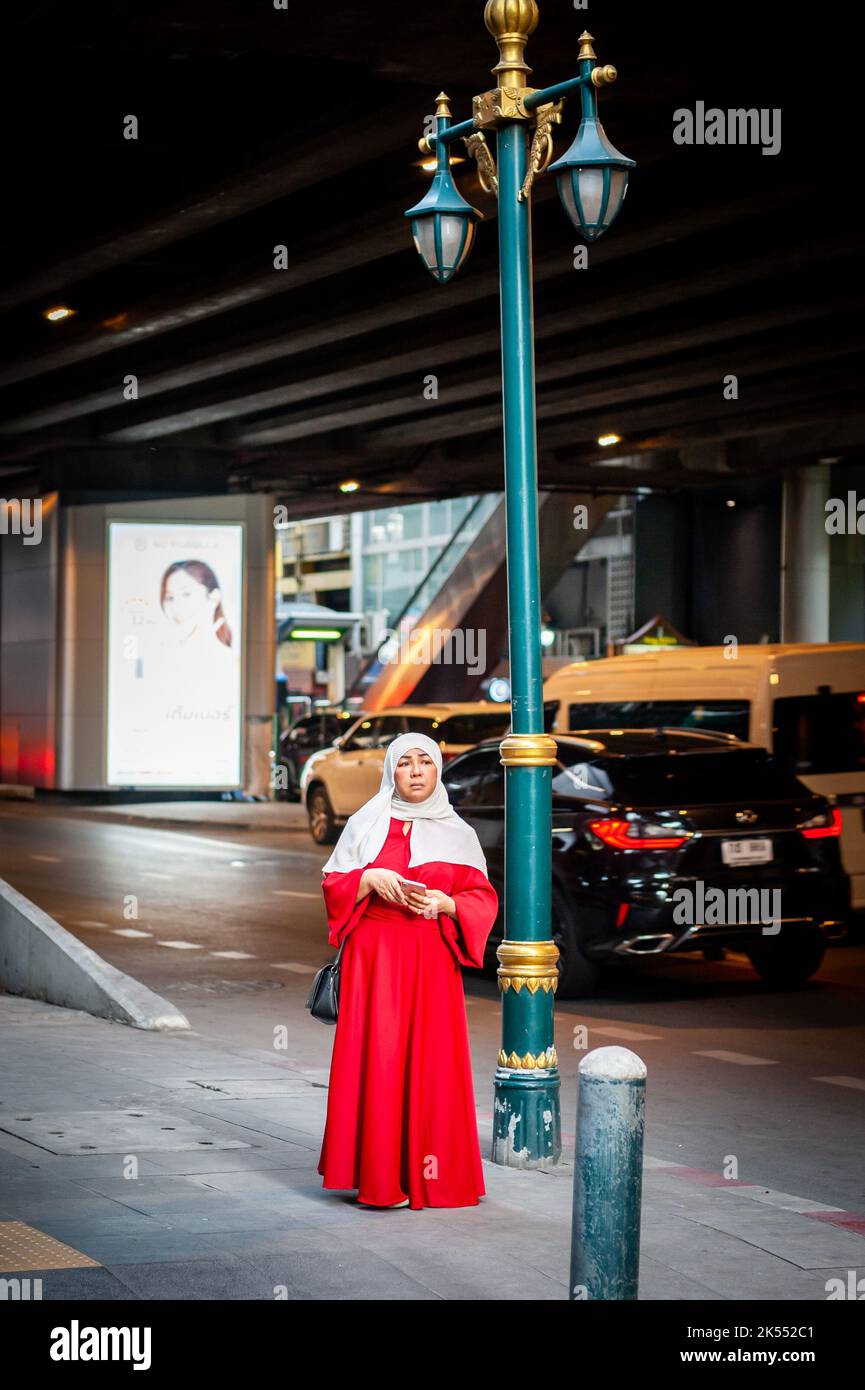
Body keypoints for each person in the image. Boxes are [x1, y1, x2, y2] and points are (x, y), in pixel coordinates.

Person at [316, 731, 499, 1210]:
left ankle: (430, 1178)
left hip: (431, 962)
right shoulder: (366, 821)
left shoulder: (459, 833)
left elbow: (482, 899)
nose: (416, 771)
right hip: (372, 960)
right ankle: (379, 1179)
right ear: (391, 771)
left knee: (430, 1062)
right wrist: (368, 878)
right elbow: (334, 884)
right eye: (405, 763)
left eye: (425, 762)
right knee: (378, 1057)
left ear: (438, 771)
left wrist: (448, 903)